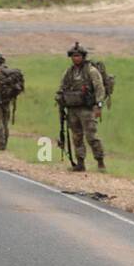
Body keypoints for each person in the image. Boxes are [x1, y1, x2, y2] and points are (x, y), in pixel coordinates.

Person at [55, 42, 106, 172]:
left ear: (83, 56)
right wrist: (60, 98)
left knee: (91, 136)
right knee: (76, 137)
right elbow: (62, 87)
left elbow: (99, 89)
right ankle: (80, 163)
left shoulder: (91, 71)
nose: (76, 58)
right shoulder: (69, 72)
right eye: (73, 56)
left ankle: (100, 161)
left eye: (78, 55)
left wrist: (98, 105)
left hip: (87, 109)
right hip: (72, 109)